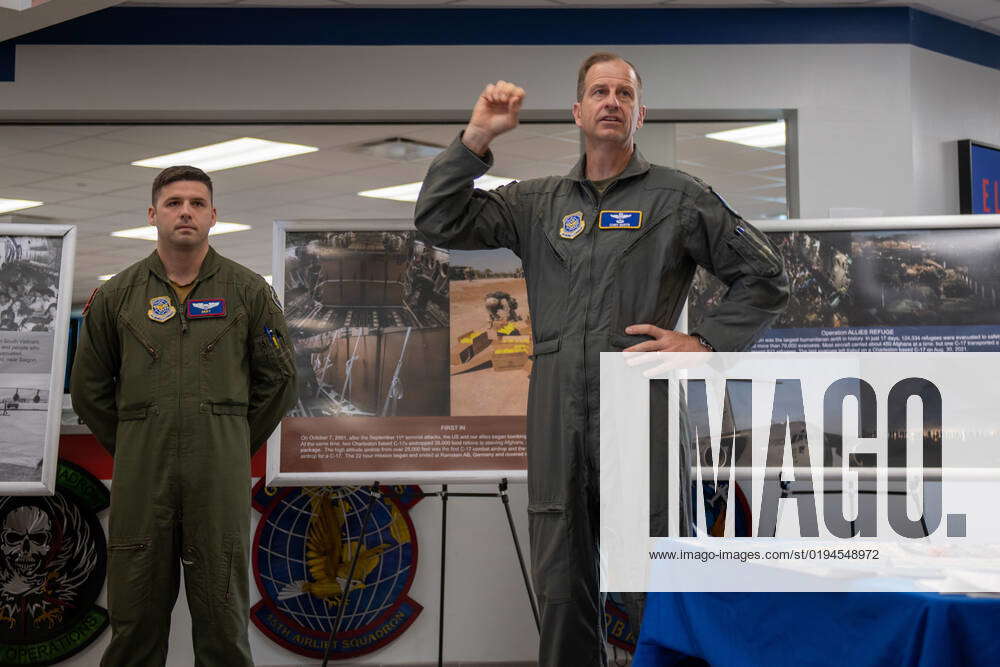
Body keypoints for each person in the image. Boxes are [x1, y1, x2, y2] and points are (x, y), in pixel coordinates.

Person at [415, 52, 789, 666]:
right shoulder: (536, 203)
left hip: (640, 404)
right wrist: (477, 137)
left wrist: (704, 342)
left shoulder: (679, 197)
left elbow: (766, 278)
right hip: (556, 405)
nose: (610, 101)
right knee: (561, 579)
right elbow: (437, 219)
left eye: (623, 93)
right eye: (599, 91)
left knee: (651, 572)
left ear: (640, 113)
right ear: (578, 110)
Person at [71, 165, 297, 665]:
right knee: (134, 624)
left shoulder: (248, 292)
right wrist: (134, 440)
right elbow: (88, 389)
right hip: (141, 481)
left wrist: (231, 438)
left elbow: (279, 379)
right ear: (153, 214)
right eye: (174, 203)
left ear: (214, 216)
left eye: (197, 203)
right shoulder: (117, 296)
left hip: (217, 478)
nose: (186, 212)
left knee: (223, 625)